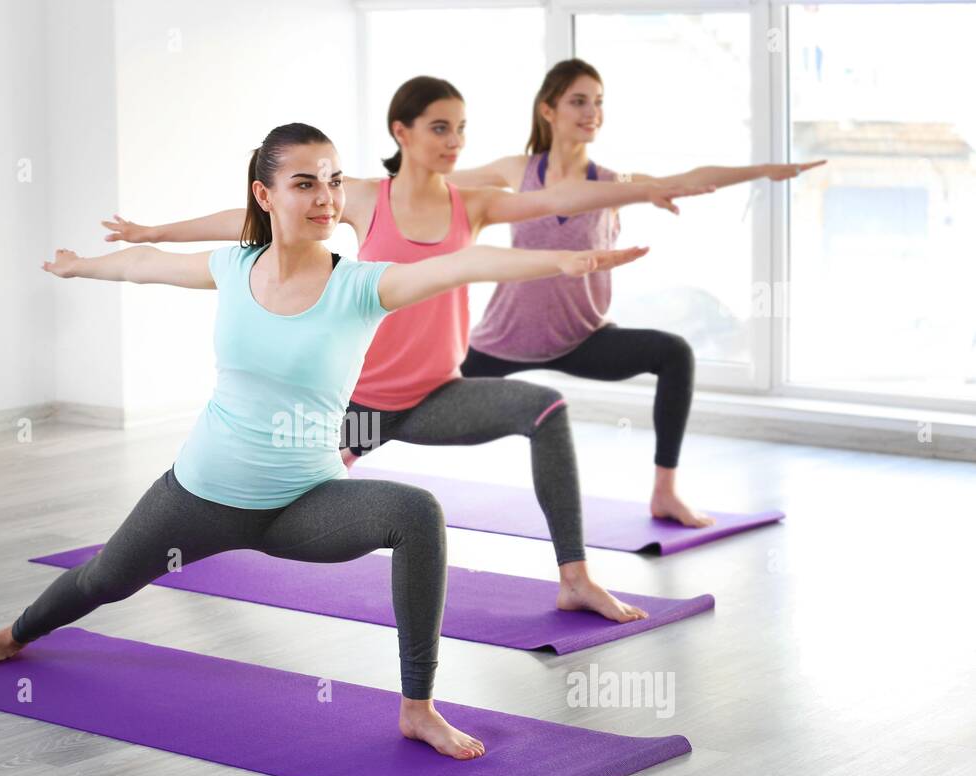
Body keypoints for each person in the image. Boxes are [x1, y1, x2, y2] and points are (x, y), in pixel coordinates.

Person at [0, 122, 650, 760]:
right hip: (198, 496)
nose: (327, 197)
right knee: (103, 580)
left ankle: (417, 707)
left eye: (336, 180)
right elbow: (144, 266)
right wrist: (82, 266)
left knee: (416, 514)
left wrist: (557, 266)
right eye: (306, 182)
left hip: (303, 505)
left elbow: (462, 265)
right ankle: (14, 635)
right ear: (266, 192)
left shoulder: (362, 287)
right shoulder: (231, 265)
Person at [104, 77, 708, 622]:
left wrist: (645, 189)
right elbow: (252, 217)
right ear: (403, 131)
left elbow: (560, 199)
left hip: (434, 396)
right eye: (440, 127)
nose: (455, 142)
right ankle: (193, 544)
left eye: (462, 129)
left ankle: (575, 578)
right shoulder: (363, 197)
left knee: (546, 408)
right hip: (359, 403)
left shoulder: (473, 202)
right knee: (272, 492)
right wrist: (157, 233)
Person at [451, 59, 825, 526]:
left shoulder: (615, 184)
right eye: (579, 101)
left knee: (674, 353)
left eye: (599, 102)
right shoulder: (518, 170)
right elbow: (437, 182)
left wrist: (765, 170)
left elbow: (685, 179)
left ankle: (665, 491)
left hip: (580, 338)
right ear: (548, 109)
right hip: (506, 338)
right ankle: (344, 456)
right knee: (415, 388)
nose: (593, 112)